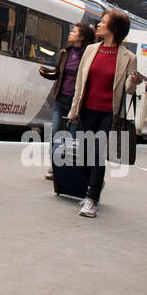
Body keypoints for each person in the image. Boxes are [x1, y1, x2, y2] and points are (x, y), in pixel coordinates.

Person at [66, 9, 143, 218]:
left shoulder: (129, 57)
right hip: (87, 110)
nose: (98, 24)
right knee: (83, 155)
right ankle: (95, 184)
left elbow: (127, 88)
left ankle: (91, 198)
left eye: (103, 22)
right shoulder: (91, 50)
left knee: (96, 154)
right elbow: (79, 86)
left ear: (115, 29)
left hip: (108, 113)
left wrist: (133, 82)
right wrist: (74, 111)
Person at [38, 20, 96, 179]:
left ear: (82, 37)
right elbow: (58, 73)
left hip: (76, 102)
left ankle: (67, 169)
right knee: (56, 132)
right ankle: (55, 167)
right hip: (60, 98)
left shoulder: (88, 56)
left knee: (72, 136)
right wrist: (45, 72)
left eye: (74, 31)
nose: (70, 33)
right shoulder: (65, 52)